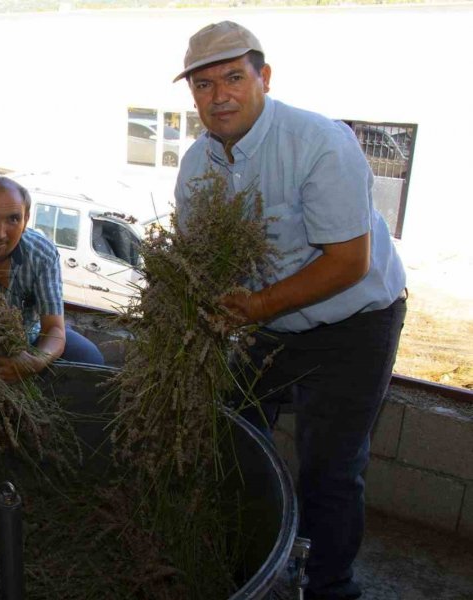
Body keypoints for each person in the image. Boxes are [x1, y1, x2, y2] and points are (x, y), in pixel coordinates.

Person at [172, 21, 407, 600]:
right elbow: (199, 259)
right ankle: (245, 560)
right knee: (231, 437)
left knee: (329, 470)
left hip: (353, 325)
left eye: (233, 77)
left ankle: (330, 586)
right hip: (265, 327)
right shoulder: (197, 167)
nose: (218, 95)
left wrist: (253, 307)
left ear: (264, 78)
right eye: (203, 85)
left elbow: (349, 261)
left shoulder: (319, 142)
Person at [0, 176, 104, 381]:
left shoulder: (42, 254)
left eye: (12, 219)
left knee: (90, 359)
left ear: (26, 220)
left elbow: (54, 328)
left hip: (33, 335)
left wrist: (34, 362)